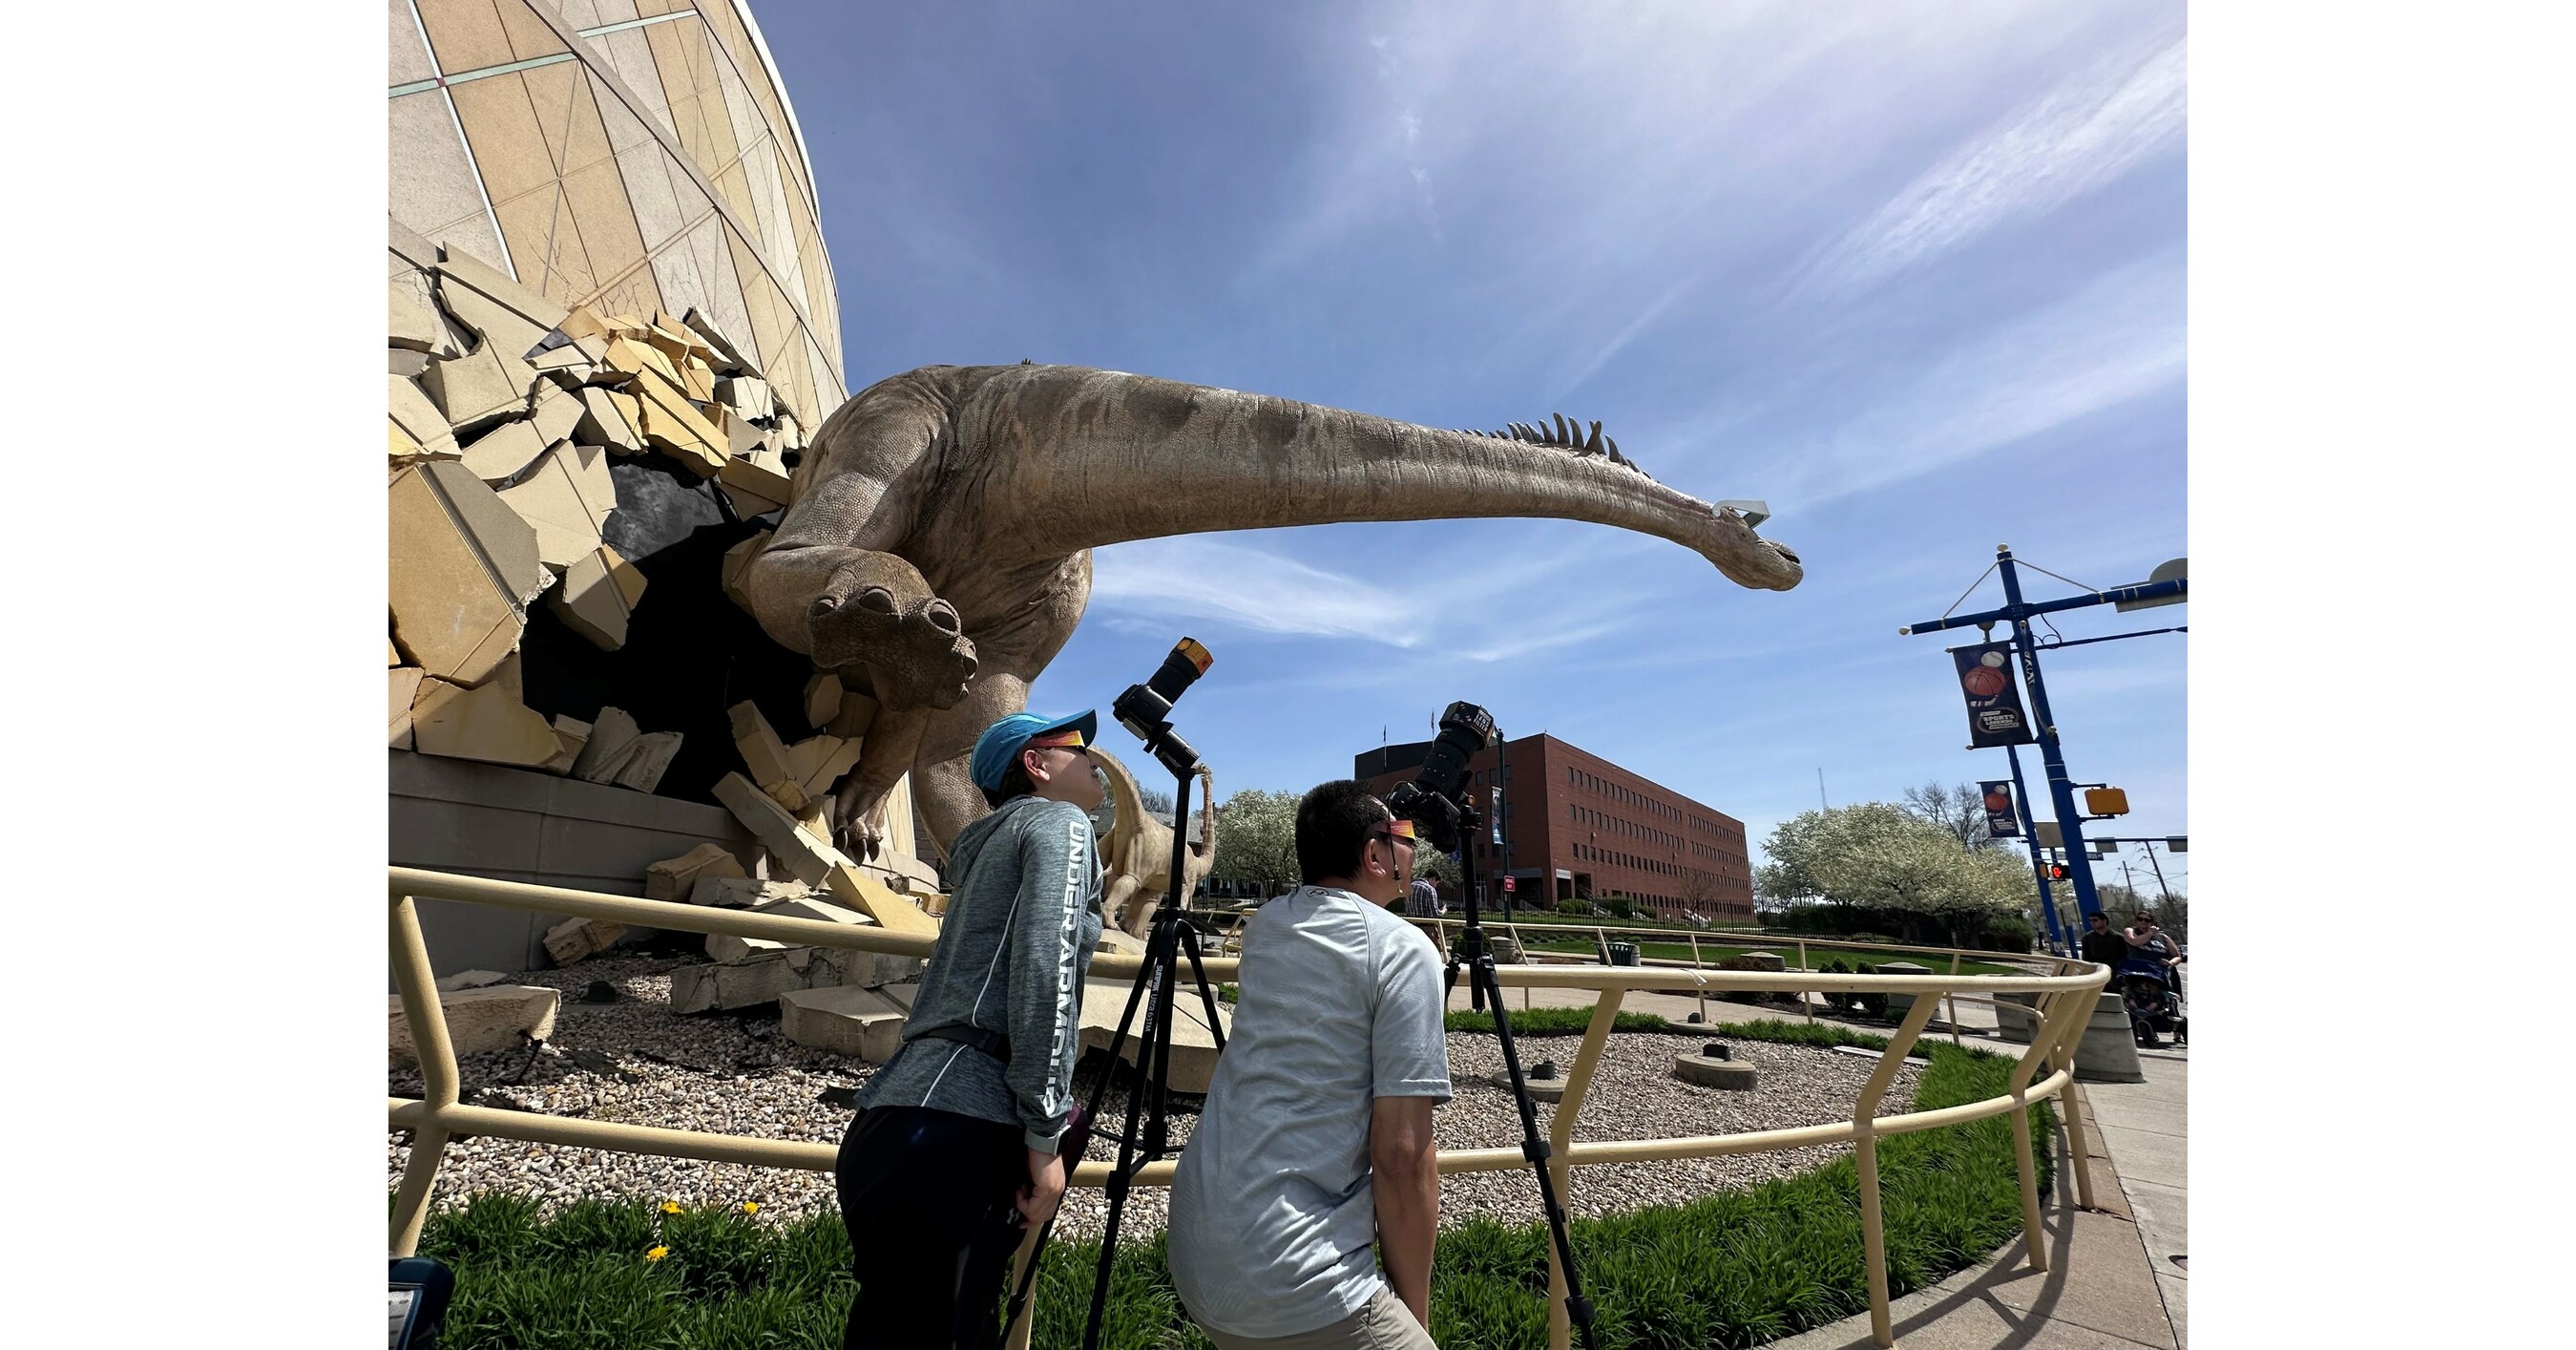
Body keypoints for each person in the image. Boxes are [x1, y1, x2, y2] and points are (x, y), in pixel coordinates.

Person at [834, 709, 1107, 1350]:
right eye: (1075, 746)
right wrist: (1044, 1140)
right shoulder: (1061, 822)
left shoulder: (987, 848)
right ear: (1035, 767)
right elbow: (1049, 965)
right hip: (958, 1135)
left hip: (892, 1123)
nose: (1094, 758)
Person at [1167, 781, 1452, 1349]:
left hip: (1197, 1252)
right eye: (1404, 835)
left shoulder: (1267, 926)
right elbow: (1400, 1155)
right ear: (1374, 856)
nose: (1412, 847)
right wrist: (1412, 1318)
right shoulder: (1401, 948)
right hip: (1295, 1277)